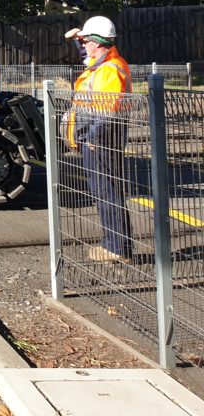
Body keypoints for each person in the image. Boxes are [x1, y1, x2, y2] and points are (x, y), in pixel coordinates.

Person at [64, 15, 133, 264]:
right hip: (97, 138)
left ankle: (116, 248)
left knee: (107, 192)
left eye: (86, 41)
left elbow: (107, 112)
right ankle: (118, 246)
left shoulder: (109, 70)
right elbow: (87, 57)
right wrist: (77, 37)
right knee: (105, 191)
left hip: (102, 140)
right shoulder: (102, 63)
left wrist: (92, 138)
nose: (84, 46)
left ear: (97, 42)